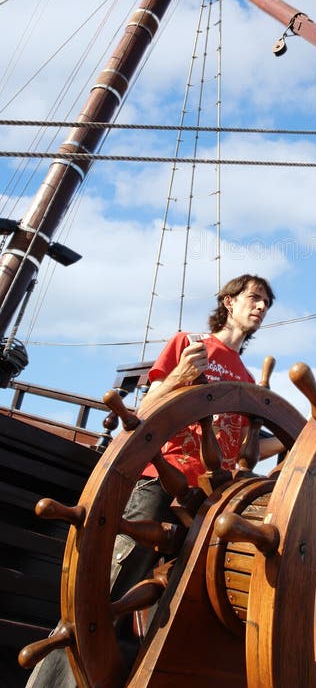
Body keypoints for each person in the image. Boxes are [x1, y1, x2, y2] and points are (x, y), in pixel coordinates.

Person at [26, 273, 278, 687]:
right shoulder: (188, 344)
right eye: (254, 297)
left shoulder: (246, 380)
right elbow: (146, 408)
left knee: (183, 608)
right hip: (159, 483)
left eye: (267, 302)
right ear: (228, 301)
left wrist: (300, 444)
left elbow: (242, 445)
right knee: (106, 588)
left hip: (205, 506)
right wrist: (180, 376)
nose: (261, 307)